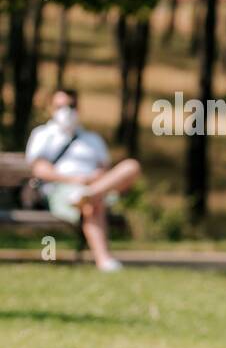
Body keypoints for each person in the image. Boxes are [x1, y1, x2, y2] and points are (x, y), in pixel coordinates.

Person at [25, 89, 141, 271]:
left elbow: (104, 170)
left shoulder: (92, 139)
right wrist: (75, 179)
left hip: (94, 186)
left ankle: (88, 195)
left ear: (79, 108)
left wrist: (95, 179)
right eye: (60, 106)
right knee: (92, 204)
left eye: (71, 106)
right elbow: (40, 169)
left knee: (131, 166)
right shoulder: (43, 135)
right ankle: (104, 260)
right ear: (50, 108)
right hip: (59, 189)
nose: (66, 111)